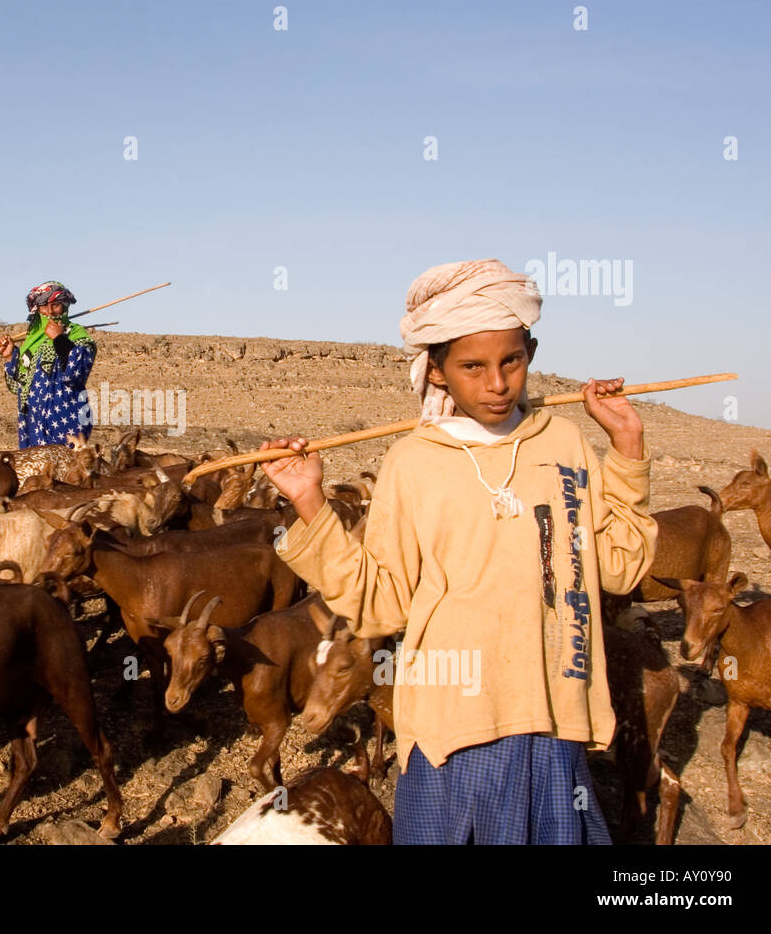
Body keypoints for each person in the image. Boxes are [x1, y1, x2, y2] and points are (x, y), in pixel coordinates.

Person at [260, 258, 658, 844]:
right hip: (455, 725)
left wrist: (627, 447)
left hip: (554, 715)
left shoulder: (563, 442)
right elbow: (380, 605)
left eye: (511, 361)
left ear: (530, 352)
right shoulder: (413, 463)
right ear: (438, 371)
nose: (497, 384)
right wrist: (309, 499)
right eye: (472, 366)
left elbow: (619, 567)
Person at [0, 281, 97, 448]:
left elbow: (77, 373)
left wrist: (59, 339)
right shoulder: (31, 340)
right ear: (37, 308)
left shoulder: (76, 334)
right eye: (43, 306)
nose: (49, 311)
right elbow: (18, 387)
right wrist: (10, 358)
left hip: (65, 422)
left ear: (64, 306)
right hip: (32, 426)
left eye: (55, 305)